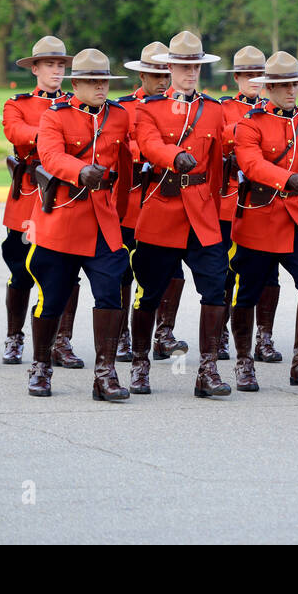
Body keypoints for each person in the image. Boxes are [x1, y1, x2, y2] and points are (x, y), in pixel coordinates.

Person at [24, 49, 132, 400]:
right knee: (52, 298)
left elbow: (127, 166)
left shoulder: (118, 115)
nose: (101, 87)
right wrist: (79, 171)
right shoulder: (55, 116)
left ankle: (105, 374)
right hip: (63, 220)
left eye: (104, 80)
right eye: (92, 81)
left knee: (110, 294)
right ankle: (41, 366)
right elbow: (51, 156)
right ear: (76, 84)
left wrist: (123, 215)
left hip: (103, 222)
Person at [130, 32, 230, 398]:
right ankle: (140, 364)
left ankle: (208, 370)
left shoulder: (214, 108)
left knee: (216, 289)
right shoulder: (149, 108)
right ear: (169, 67)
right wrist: (173, 157)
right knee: (149, 294)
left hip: (202, 212)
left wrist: (214, 206)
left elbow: (218, 166)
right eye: (183, 66)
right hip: (164, 210)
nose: (190, 73)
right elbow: (149, 144)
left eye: (196, 66)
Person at [231, 51, 298, 387]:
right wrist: (286, 181)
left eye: (294, 84)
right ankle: (244, 362)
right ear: (268, 88)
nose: (290, 91)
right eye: (283, 85)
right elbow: (251, 164)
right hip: (261, 218)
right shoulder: (249, 123)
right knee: (248, 293)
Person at [0, 36, 69, 367]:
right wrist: (57, 134)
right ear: (35, 68)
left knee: (65, 271)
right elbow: (16, 133)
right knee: (20, 269)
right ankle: (15, 336)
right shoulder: (18, 103)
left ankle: (60, 340)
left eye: (60, 65)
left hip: (65, 197)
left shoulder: (74, 102)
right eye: (50, 65)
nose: (56, 71)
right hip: (29, 193)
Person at [116, 42, 175, 363]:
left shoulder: (181, 107)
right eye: (155, 73)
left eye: (166, 72)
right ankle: (124, 335)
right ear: (141, 74)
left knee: (168, 270)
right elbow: (121, 146)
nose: (162, 79)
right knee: (125, 270)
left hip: (168, 199)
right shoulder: (125, 107)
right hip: (134, 197)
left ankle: (164, 331)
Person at [216, 46, 268, 363]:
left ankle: (263, 335)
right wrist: (248, 128)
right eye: (247, 74)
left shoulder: (273, 109)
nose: (254, 80)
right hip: (229, 197)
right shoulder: (225, 108)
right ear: (236, 77)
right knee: (226, 271)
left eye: (259, 74)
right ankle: (221, 333)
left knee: (263, 273)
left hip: (262, 200)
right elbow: (220, 137)